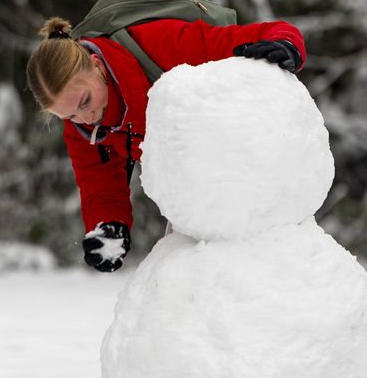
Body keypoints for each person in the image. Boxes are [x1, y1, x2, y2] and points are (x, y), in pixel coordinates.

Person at [26, 15, 306, 272]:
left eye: (85, 101)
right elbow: (100, 184)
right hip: (196, 206)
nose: (85, 117)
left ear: (97, 65)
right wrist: (108, 226)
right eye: (69, 116)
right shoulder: (84, 128)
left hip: (252, 173)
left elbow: (271, 31)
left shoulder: (160, 44)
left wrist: (286, 45)